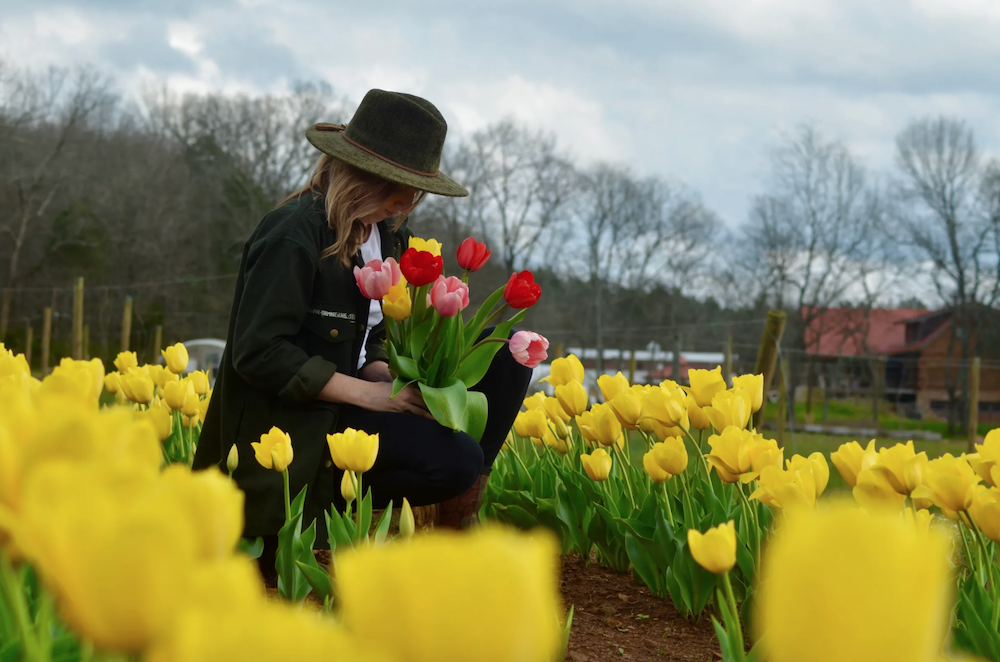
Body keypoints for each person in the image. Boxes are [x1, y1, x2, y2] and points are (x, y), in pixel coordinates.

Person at [192, 90, 532, 574]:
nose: (406, 200)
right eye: (397, 183)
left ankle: (460, 515)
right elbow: (258, 352)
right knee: (452, 457)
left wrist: (389, 378)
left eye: (414, 188)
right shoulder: (293, 233)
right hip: (297, 424)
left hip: (353, 401)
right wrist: (374, 397)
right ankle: (305, 521)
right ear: (354, 170)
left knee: (507, 354)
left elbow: (368, 340)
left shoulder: (388, 236)